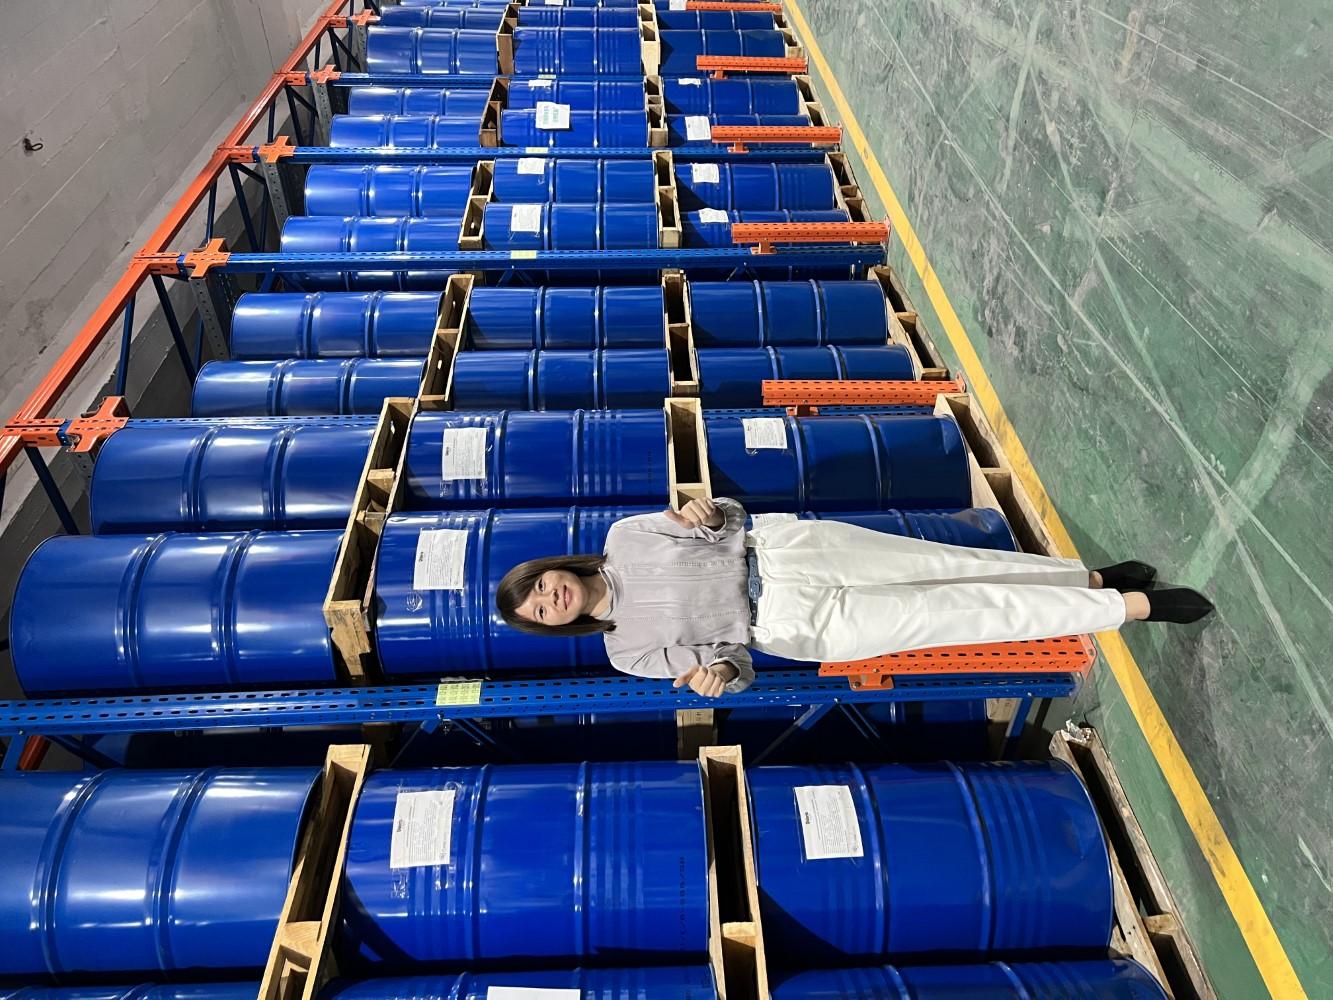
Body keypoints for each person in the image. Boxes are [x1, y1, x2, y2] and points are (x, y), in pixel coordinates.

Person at [496, 497, 1214, 698]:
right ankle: (1130, 609)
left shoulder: (624, 536)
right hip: (792, 621)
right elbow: (735, 668)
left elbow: (729, 517)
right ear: (553, 625)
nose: (550, 598)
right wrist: (718, 677)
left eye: (538, 586)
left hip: (784, 552)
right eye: (540, 611)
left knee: (952, 565)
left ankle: (1088, 581)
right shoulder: (627, 653)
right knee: (958, 615)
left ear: (549, 568)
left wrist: (710, 515)